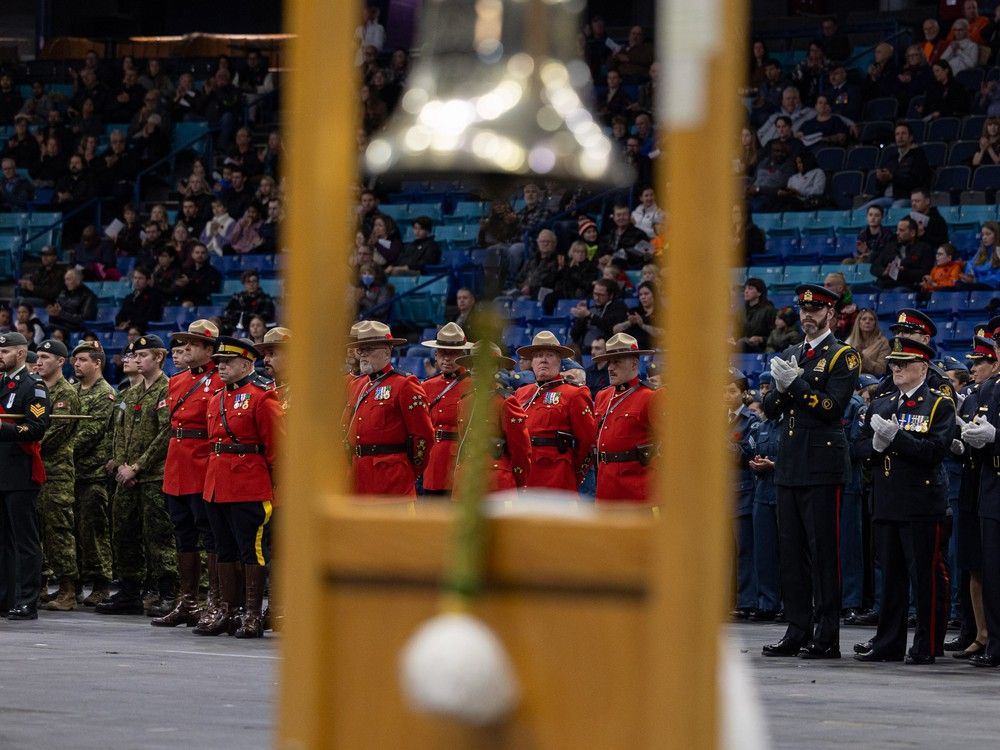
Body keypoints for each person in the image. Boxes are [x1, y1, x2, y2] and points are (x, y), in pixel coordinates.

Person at [762, 284, 860, 660]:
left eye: (817, 310)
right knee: (791, 553)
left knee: (823, 554)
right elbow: (770, 407)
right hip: (790, 463)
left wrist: (795, 385)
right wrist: (785, 386)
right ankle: (797, 629)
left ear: (831, 315)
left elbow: (833, 407)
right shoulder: (790, 353)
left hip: (822, 464)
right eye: (804, 310)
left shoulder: (842, 356)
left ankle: (827, 634)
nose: (808, 316)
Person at [854, 338, 955, 664]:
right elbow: (857, 448)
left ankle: (926, 644)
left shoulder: (939, 405)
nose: (896, 368)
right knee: (891, 577)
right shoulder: (882, 404)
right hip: (886, 501)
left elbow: (934, 452)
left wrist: (896, 439)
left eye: (904, 363)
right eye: (894, 363)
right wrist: (877, 447)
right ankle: (888, 642)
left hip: (921, 503)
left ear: (923, 367)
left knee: (924, 577)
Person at [193, 337, 281, 639]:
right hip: (217, 482)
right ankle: (227, 611)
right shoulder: (216, 397)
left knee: (251, 550)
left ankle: (253, 614)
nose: (221, 366)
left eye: (227, 362)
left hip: (248, 483)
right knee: (223, 549)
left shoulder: (261, 397)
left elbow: (276, 447)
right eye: (218, 362)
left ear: (246, 365)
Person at [96, 335, 177, 616]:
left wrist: (138, 466)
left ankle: (168, 592)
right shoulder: (129, 394)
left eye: (144, 355)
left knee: (158, 535)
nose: (137, 359)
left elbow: (165, 434)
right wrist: (120, 465)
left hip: (153, 476)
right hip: (126, 476)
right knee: (123, 533)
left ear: (159, 358)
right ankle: (130, 590)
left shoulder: (167, 390)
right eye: (136, 356)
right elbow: (118, 434)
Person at [151, 321, 223, 628]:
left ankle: (214, 601)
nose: (187, 348)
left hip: (202, 462)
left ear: (209, 349)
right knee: (182, 534)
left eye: (194, 343)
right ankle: (187, 601)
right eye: (185, 343)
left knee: (209, 534)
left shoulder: (220, 380)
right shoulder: (176, 381)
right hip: (177, 463)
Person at [946, 335, 997, 659]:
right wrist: (962, 445)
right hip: (978, 483)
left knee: (991, 566)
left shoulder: (992, 390)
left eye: (980, 362)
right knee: (978, 565)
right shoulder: (978, 393)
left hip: (991, 480)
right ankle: (982, 633)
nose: (974, 368)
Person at [344, 321, 435, 497]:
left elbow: (423, 436)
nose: (363, 354)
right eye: (360, 349)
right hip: (358, 479)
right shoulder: (358, 385)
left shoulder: (405, 385)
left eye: (369, 349)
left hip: (392, 481)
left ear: (387, 351)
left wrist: (408, 470)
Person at [0, 331, 49, 620]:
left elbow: (36, 427)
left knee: (24, 540)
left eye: (4, 352)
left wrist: (3, 429)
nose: (0, 357)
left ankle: (27, 599)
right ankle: (5, 597)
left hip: (19, 471)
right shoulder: (2, 383)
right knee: (2, 540)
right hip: (2, 471)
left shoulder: (33, 386)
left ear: (20, 353)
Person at [514, 331, 596, 492]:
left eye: (549, 355)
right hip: (525, 478)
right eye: (538, 355)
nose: (543, 360)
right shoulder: (522, 393)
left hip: (556, 478)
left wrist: (572, 473)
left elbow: (587, 442)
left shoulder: (574, 393)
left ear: (559, 361)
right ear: (532, 363)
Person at [33, 340, 81, 611]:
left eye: (45, 357)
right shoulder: (38, 388)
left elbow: (53, 435)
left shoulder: (66, 393)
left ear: (60, 361)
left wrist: (23, 442)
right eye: (37, 357)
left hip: (57, 473)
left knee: (59, 532)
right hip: (37, 471)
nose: (39, 362)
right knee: (38, 532)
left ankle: (68, 590)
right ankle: (40, 584)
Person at [70, 341, 116, 606]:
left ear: (97, 363)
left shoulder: (104, 394)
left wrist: (63, 449)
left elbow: (90, 433)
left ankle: (101, 583)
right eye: (75, 360)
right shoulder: (74, 390)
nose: (77, 364)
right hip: (73, 471)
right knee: (73, 529)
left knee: (94, 529)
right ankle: (73, 584)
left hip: (94, 472)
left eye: (83, 359)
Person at [452, 342, 532, 493]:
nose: (475, 368)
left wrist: (519, 484)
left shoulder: (506, 402)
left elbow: (520, 451)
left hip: (496, 484)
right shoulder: (464, 401)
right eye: (473, 364)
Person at [591, 333, 658, 503]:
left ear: (635, 363)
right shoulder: (602, 396)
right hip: (605, 487)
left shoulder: (651, 397)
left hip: (636, 490)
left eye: (617, 362)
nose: (610, 367)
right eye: (610, 362)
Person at [420, 323, 472, 496]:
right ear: (435, 356)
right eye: (442, 353)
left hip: (461, 460)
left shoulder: (474, 386)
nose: (447, 359)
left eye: (453, 354)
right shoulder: (427, 386)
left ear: (463, 355)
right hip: (433, 461)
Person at [747, 372, 782, 620]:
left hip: (783, 490)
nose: (764, 392)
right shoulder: (761, 426)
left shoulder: (791, 424)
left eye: (769, 387)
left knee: (788, 552)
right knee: (764, 551)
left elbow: (796, 458)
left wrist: (775, 464)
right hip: (762, 491)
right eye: (761, 387)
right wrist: (756, 463)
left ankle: (787, 604)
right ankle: (767, 603)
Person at [727, 367, 761, 618]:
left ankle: (746, 600)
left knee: (744, 549)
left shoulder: (752, 421)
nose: (725, 396)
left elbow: (749, 453)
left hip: (742, 492)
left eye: (730, 391)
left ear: (743, 394)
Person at [866, 124, 931, 210]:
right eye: (897, 134)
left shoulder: (918, 156)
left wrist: (893, 177)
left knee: (895, 210)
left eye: (903, 133)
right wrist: (881, 179)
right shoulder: (892, 158)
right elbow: (879, 187)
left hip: (906, 197)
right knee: (862, 212)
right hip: (886, 197)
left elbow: (916, 181)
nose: (900, 137)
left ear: (910, 137)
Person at [871, 217, 935, 290]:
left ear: (912, 233)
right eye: (897, 230)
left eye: (901, 230)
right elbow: (874, 267)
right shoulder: (890, 246)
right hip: (884, 285)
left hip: (906, 286)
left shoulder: (924, 248)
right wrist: (884, 272)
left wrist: (905, 272)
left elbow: (925, 272)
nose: (897, 233)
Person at [570, 278, 629, 351]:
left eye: (601, 295)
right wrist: (580, 318)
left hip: (607, 350)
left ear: (611, 295)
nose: (596, 298)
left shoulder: (619, 307)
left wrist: (590, 316)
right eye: (595, 294)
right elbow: (574, 334)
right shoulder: (590, 307)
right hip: (586, 349)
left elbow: (610, 327)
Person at [612, 281, 660, 350]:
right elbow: (615, 330)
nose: (643, 297)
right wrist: (629, 323)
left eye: (646, 294)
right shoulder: (633, 311)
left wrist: (643, 325)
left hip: (651, 351)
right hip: (630, 350)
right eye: (640, 295)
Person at [49, 268, 99, 332]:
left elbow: (85, 319)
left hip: (76, 328)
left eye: (68, 279)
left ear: (78, 280)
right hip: (60, 325)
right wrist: (53, 313)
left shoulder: (89, 296)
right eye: (65, 280)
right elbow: (58, 310)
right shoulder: (64, 293)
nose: (65, 283)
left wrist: (61, 313)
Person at [115, 267, 163, 331]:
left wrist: (129, 323)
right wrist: (121, 323)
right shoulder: (129, 297)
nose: (137, 281)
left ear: (148, 281)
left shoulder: (154, 296)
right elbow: (120, 316)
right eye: (135, 278)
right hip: (127, 329)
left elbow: (151, 317)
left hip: (144, 330)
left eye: (140, 278)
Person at [737, 277, 777, 353]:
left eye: (750, 289)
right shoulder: (741, 311)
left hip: (761, 348)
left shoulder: (769, 310)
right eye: (745, 289)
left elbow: (776, 336)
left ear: (759, 293)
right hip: (742, 346)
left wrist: (761, 339)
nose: (746, 291)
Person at [845, 308, 890, 376]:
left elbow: (881, 369)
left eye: (871, 319)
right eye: (864, 319)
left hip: (872, 380)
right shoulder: (850, 341)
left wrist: (862, 357)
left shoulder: (883, 342)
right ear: (858, 322)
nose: (867, 321)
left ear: (875, 323)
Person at [258, 327, 291, 412]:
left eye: (271, 353)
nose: (265, 359)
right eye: (264, 355)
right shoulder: (263, 391)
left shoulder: (305, 390)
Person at [960, 222, 1000, 289]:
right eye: (983, 234)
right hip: (977, 283)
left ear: (997, 235)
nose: (984, 237)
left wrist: (977, 280)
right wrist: (970, 273)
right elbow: (970, 264)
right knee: (958, 283)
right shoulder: (981, 251)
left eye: (988, 234)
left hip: (992, 286)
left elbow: (997, 279)